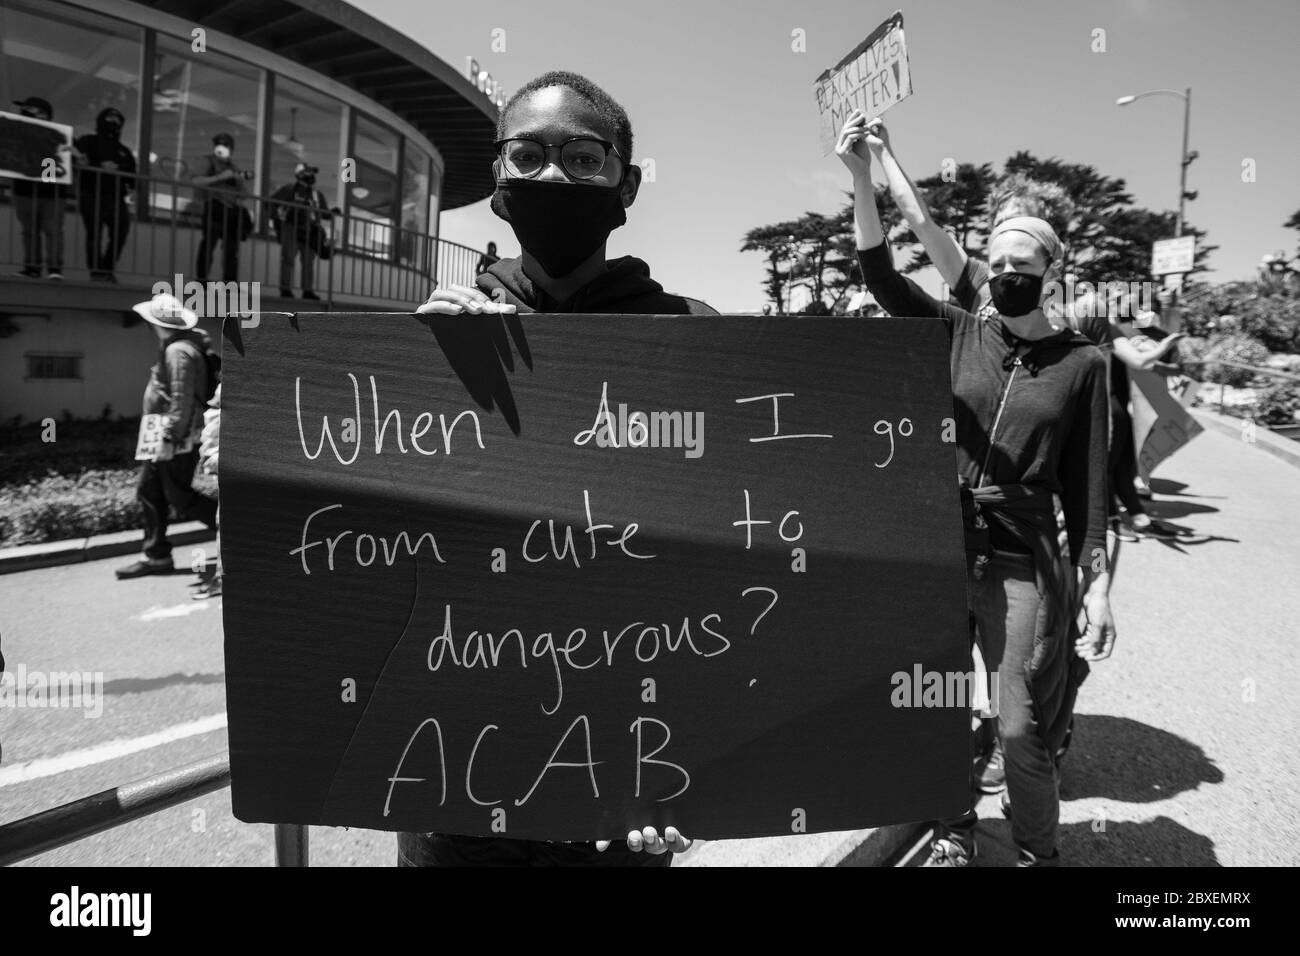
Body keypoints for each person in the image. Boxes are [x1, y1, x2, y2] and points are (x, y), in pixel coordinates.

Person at [414, 70, 714, 866]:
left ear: (628, 185)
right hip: (457, 763)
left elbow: (731, 562)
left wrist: (702, 763)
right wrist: (415, 380)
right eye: (529, 156)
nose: (553, 176)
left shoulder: (696, 341)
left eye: (584, 158)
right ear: (499, 185)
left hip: (627, 765)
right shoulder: (440, 333)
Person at [839, 111, 1114, 867]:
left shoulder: (1084, 366)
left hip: (1023, 556)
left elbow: (1090, 491)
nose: (1004, 273)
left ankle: (1035, 853)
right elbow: (882, 272)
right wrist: (865, 175)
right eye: (995, 260)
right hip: (942, 549)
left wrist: (1097, 586)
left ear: (1052, 273)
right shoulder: (962, 330)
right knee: (934, 706)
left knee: (1021, 724)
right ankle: (955, 832)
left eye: (1021, 262)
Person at [868, 122, 1070, 317]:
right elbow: (921, 222)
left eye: (1020, 221)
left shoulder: (1080, 306)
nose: (1008, 231)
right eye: (1000, 224)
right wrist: (884, 152)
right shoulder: (978, 281)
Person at [116, 294, 219, 580]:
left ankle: (242, 533)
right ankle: (156, 554)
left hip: (175, 436)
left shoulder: (179, 352)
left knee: (180, 496)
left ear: (155, 323)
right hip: (166, 435)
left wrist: (170, 438)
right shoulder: (179, 347)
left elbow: (181, 399)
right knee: (151, 492)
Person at [72, 107, 136, 283]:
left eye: (117, 120)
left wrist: (120, 170)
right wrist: (99, 165)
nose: (113, 123)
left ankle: (107, 270)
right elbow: (75, 157)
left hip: (116, 197)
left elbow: (132, 174)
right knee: (94, 234)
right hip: (91, 194)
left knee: (120, 232)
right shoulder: (88, 141)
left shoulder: (124, 150)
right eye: (110, 119)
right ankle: (96, 272)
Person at [9, 97, 67, 280]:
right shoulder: (15, 134)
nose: (26, 113)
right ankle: (32, 268)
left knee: (52, 230)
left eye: (31, 110)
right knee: (29, 230)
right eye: (25, 110)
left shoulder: (59, 135)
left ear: (45, 114)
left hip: (52, 193)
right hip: (24, 190)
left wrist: (76, 156)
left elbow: (66, 159)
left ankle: (54, 269)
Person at [270, 163, 333, 299]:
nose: (311, 176)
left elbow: (325, 214)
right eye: (307, 173)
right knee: (288, 259)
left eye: (312, 174)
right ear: (299, 175)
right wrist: (277, 220)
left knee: (308, 262)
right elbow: (271, 203)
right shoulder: (289, 189)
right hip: (291, 228)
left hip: (310, 231)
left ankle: (307, 291)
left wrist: (332, 213)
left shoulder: (317, 195)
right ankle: (285, 290)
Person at [192, 132, 249, 283]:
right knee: (208, 244)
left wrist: (237, 180)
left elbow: (244, 194)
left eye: (226, 146)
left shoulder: (233, 168)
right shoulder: (207, 161)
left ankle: (230, 283)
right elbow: (196, 180)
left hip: (230, 211)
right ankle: (202, 279)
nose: (222, 148)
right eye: (220, 145)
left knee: (231, 250)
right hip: (214, 206)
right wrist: (219, 177)